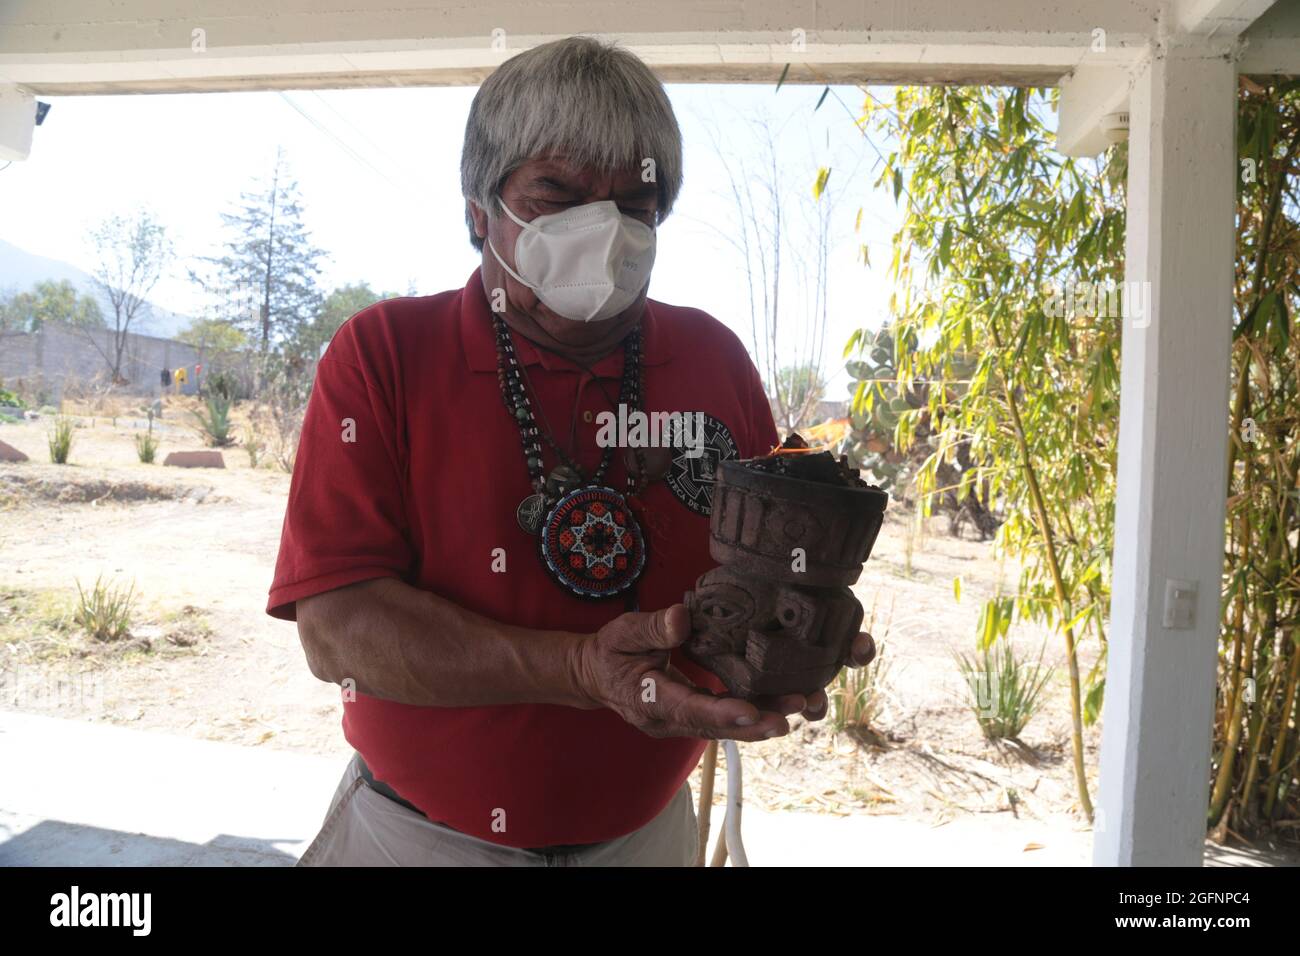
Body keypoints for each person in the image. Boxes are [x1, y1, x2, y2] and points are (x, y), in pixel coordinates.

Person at [267, 35, 877, 867]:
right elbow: (336, 632)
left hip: (646, 839)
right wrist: (581, 669)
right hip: (418, 841)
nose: (605, 231)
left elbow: (760, 565)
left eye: (636, 202)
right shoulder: (384, 355)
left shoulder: (714, 359)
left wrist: (798, 619)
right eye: (557, 191)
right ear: (479, 211)